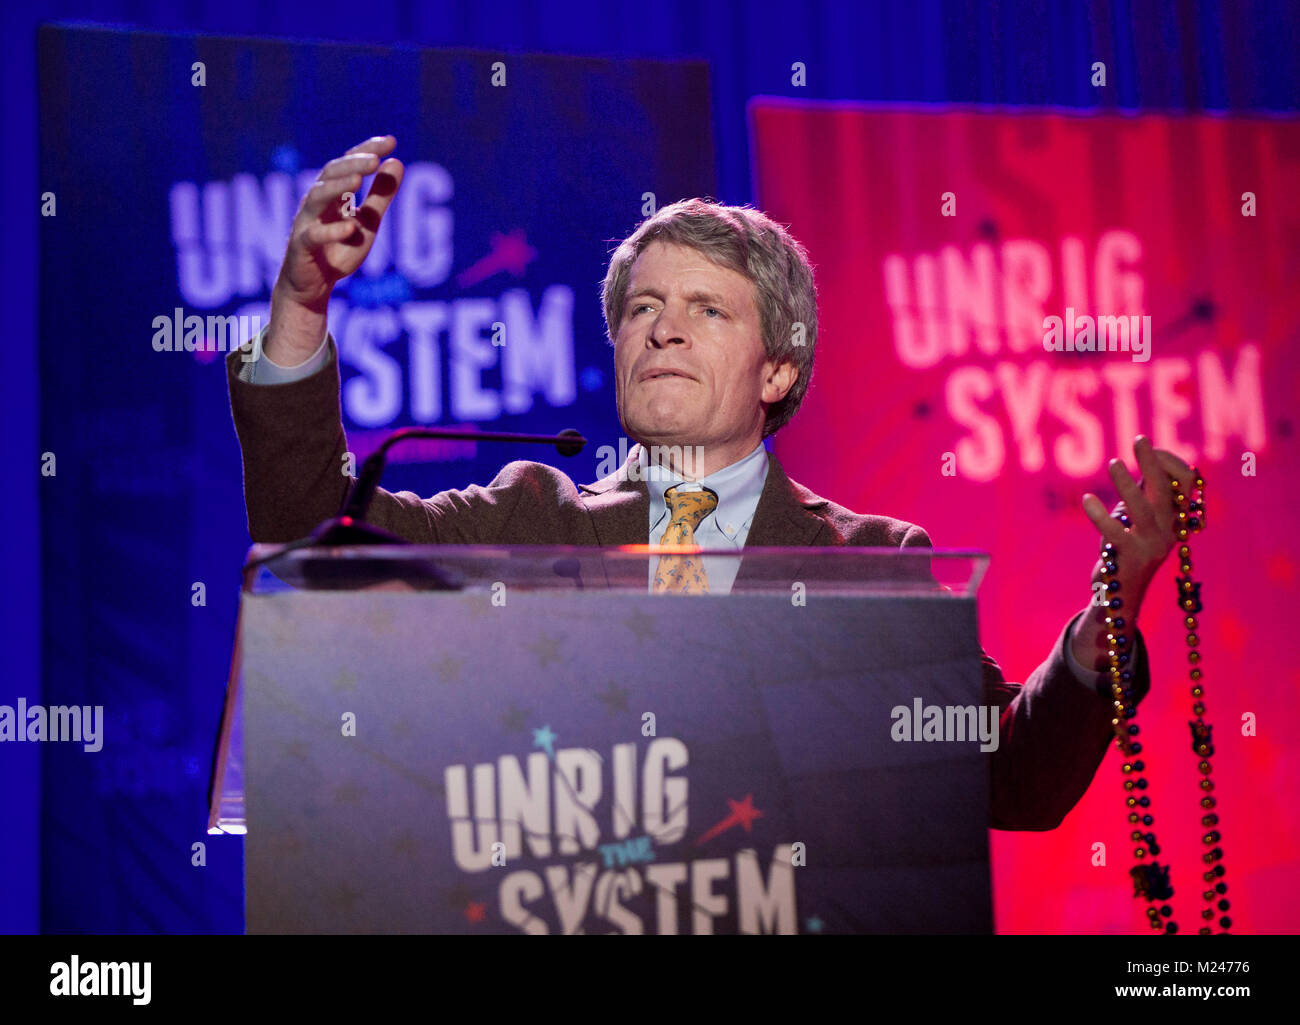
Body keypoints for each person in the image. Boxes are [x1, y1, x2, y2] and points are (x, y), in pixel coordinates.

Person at [226, 136, 1192, 830]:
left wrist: (1111, 612)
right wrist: (302, 306)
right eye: (642, 307)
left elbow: (1008, 776)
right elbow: (312, 538)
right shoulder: (527, 516)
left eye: (706, 309)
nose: (663, 327)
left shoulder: (866, 561)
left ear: (778, 370)